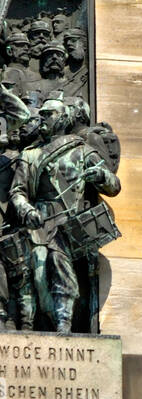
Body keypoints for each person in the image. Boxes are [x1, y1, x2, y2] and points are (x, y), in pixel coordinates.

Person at [9, 96, 121, 334]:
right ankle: (36, 322)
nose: (42, 119)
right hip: (38, 221)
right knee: (38, 275)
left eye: (48, 114)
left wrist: (100, 176)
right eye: (41, 115)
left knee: (62, 271)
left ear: (63, 118)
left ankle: (64, 325)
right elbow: (17, 192)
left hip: (69, 225)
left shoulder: (82, 151)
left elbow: (113, 186)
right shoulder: (30, 155)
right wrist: (26, 209)